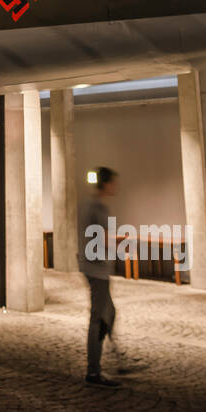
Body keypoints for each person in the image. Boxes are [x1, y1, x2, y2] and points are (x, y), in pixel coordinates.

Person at [79, 166, 120, 389]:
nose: (116, 186)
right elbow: (104, 239)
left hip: (92, 267)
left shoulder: (88, 205)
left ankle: (111, 354)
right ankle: (93, 369)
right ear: (106, 184)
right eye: (113, 182)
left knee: (109, 313)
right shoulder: (99, 208)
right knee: (99, 318)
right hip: (98, 270)